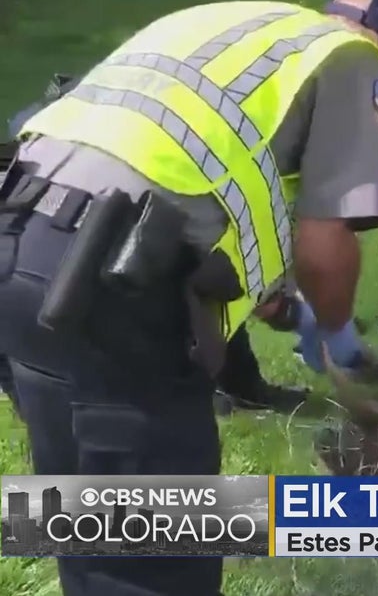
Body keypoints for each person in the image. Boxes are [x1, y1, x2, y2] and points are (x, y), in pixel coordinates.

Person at [0, 0, 378, 596]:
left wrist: (286, 308)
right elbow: (325, 242)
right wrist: (336, 330)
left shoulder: (232, 22)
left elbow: (182, 173)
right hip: (107, 291)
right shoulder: (356, 60)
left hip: (17, 243)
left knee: (88, 523)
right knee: (155, 560)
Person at [4, 79, 309, 416]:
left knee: (192, 275)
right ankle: (53, 412)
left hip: (85, 198)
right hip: (48, 225)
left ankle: (238, 389)